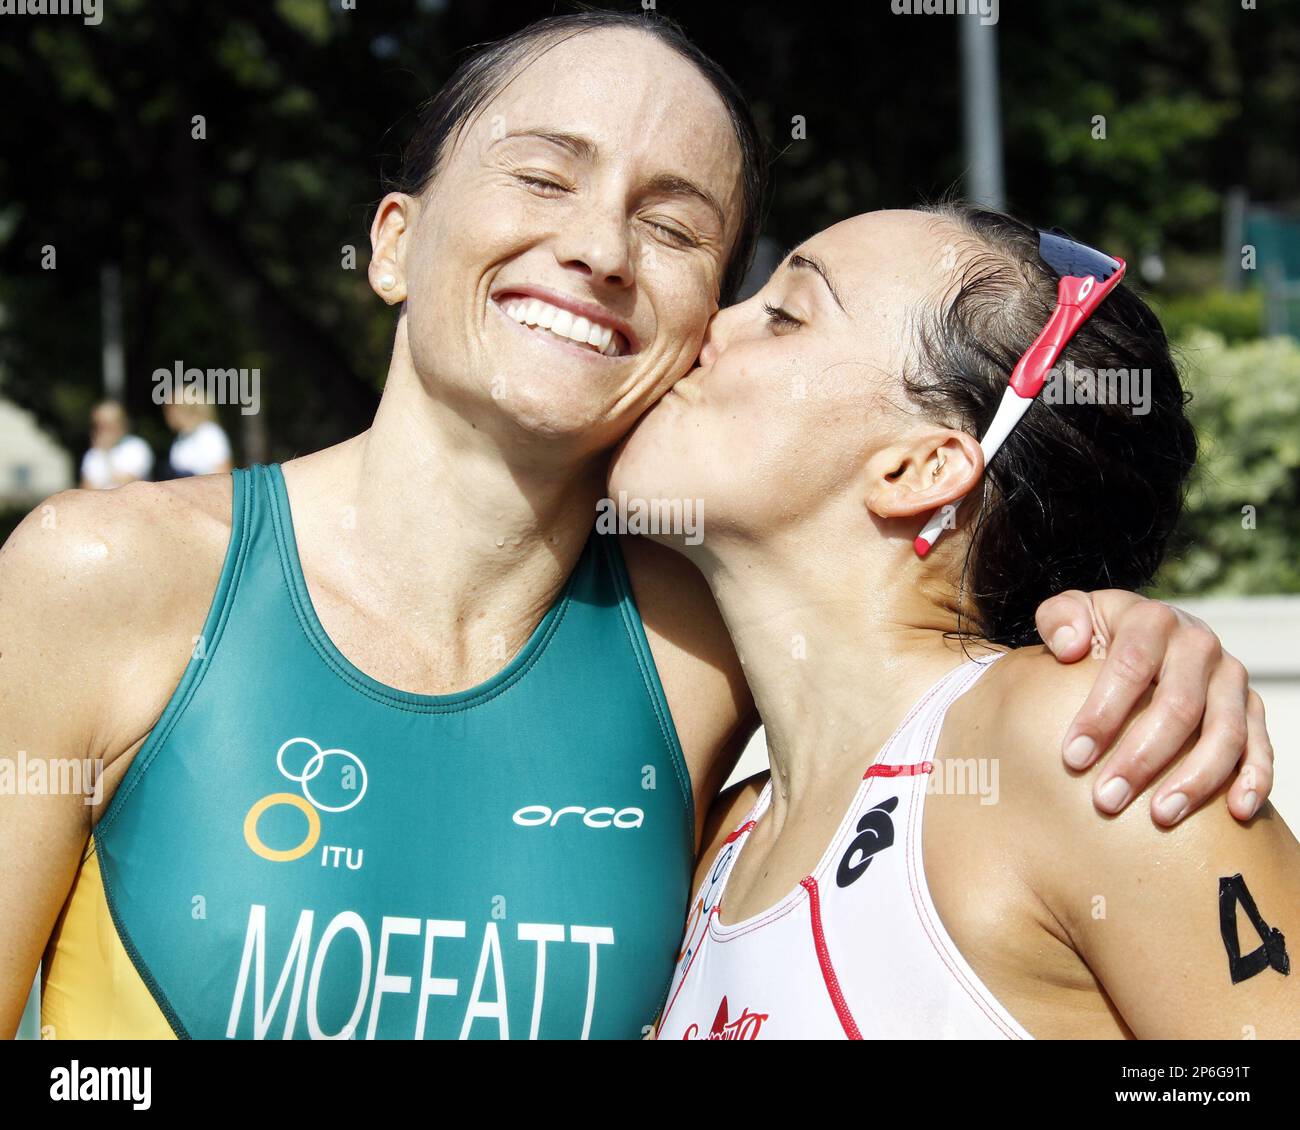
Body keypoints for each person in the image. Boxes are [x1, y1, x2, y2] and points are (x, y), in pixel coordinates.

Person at [0, 12, 1273, 1041]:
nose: (600, 248)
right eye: (541, 173)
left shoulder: (712, 662)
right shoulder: (103, 576)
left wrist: (1119, 645)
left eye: (678, 231)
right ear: (392, 243)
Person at [618, 206, 1296, 1040]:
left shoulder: (1091, 739)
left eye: (786, 314)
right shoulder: (718, 842)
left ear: (920, 468)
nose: (708, 325)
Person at [78, 400, 153, 490]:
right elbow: (85, 489)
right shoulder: (93, 454)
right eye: (97, 424)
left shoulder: (137, 447)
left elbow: (130, 484)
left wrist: (106, 454)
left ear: (120, 424)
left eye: (106, 425)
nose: (100, 430)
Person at [162, 401, 233, 479]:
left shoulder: (209, 433)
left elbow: (223, 473)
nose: (167, 414)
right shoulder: (181, 437)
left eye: (170, 408)